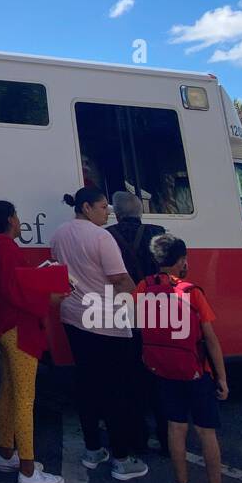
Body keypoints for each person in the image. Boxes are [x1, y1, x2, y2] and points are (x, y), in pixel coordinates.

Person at [50, 187, 149, 481]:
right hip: (106, 320)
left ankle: (93, 450)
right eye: (103, 207)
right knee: (116, 389)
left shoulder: (58, 235)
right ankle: (121, 457)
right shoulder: (101, 237)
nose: (108, 212)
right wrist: (139, 304)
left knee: (87, 384)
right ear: (86, 207)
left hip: (72, 316)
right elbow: (120, 279)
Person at [136, 233, 229, 483]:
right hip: (196, 372)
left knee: (175, 430)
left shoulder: (142, 287)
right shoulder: (191, 293)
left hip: (162, 370)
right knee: (206, 433)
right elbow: (211, 340)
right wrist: (222, 379)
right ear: (181, 261)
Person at [0, 199, 65, 483]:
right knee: (25, 398)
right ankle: (28, 470)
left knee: (8, 392)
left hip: (6, 327)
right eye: (16, 215)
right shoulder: (5, 247)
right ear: (9, 219)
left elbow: (11, 285)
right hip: (19, 327)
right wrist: (48, 298)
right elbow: (14, 289)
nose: (19, 220)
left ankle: (7, 452)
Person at [106, 191, 168, 454]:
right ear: (140, 211)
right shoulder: (158, 231)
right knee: (160, 373)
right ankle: (167, 437)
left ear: (116, 213)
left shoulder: (108, 234)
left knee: (129, 374)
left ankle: (137, 437)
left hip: (123, 309)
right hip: (155, 307)